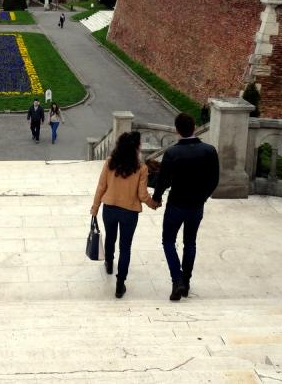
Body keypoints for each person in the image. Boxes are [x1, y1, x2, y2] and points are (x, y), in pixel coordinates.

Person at [150, 112, 219, 301]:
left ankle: (177, 280)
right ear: (194, 127)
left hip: (176, 205)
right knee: (190, 242)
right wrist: (203, 197)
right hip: (196, 206)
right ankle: (186, 282)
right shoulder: (209, 151)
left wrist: (155, 199)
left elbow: (163, 181)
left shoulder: (172, 153)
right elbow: (214, 180)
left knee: (168, 241)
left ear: (177, 130)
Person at [90, 131, 156, 298]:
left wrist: (95, 208)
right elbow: (142, 195)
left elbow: (101, 187)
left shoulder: (110, 163)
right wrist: (153, 204)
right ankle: (120, 284)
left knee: (110, 237)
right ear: (136, 147)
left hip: (110, 208)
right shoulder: (141, 168)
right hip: (129, 212)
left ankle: (109, 263)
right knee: (125, 248)